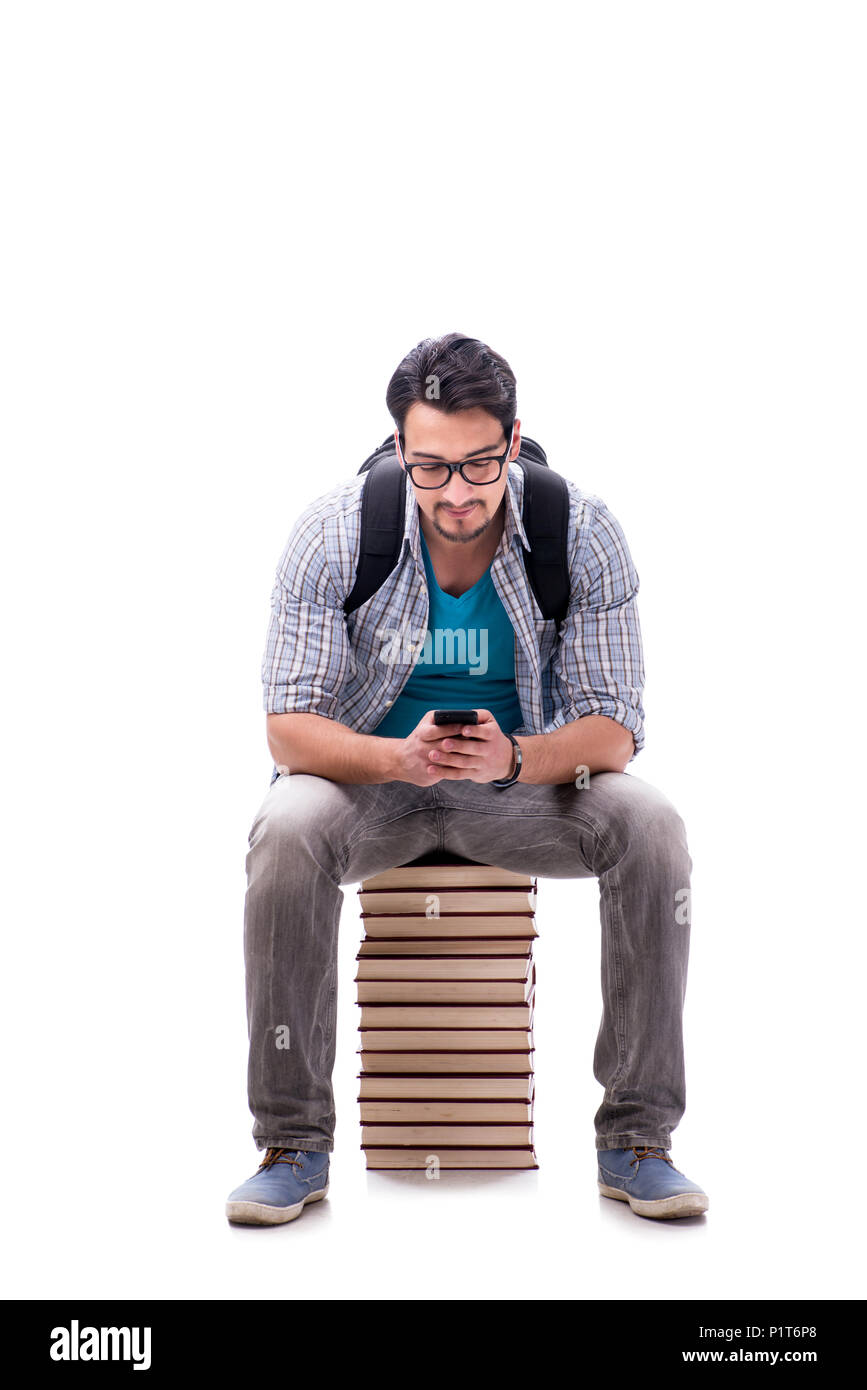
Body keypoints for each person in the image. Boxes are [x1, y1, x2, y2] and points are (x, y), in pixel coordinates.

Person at [225, 332, 708, 1225]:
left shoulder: (581, 530)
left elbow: (614, 727)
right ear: (400, 451)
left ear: (513, 442)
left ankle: (636, 1139)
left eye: (480, 464)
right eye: (430, 468)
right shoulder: (333, 533)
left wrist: (517, 758)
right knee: (284, 829)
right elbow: (288, 727)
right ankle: (291, 1142)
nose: (457, 491)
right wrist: (392, 757)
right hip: (370, 783)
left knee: (652, 826)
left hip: (521, 785)